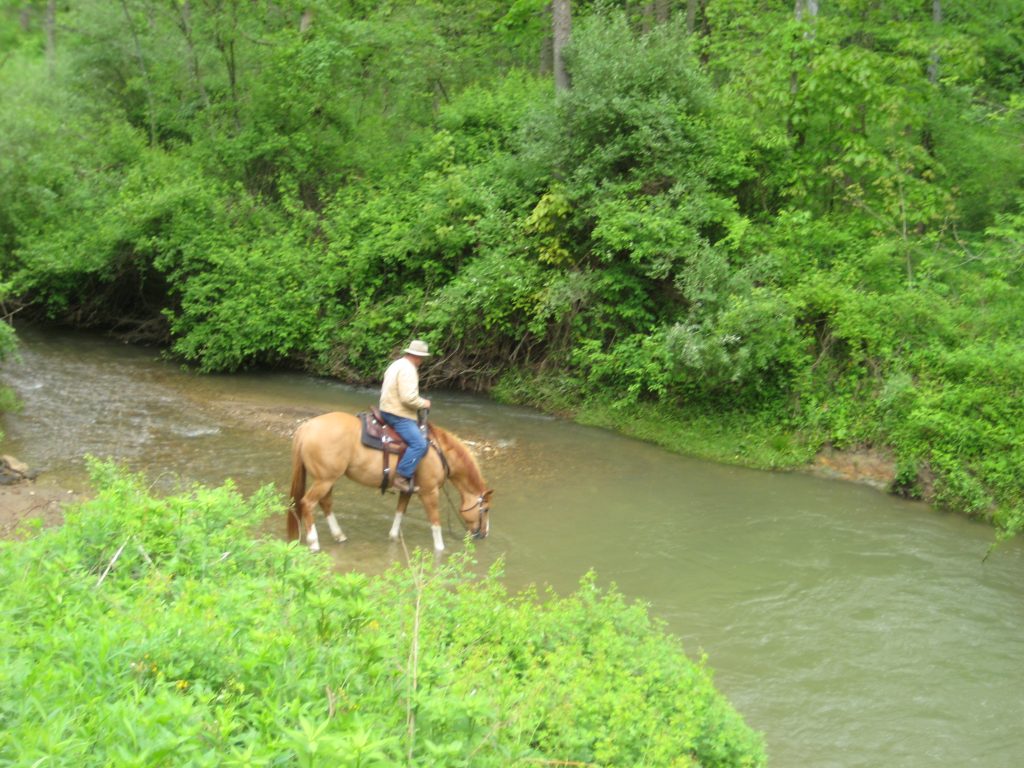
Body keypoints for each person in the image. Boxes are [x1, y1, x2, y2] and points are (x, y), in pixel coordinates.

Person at [378, 339, 432, 493]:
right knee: (419, 444)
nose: (421, 361)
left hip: (385, 409)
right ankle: (401, 478)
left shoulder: (395, 364)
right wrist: (424, 403)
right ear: (416, 356)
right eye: (421, 358)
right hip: (398, 414)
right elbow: (408, 398)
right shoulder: (409, 370)